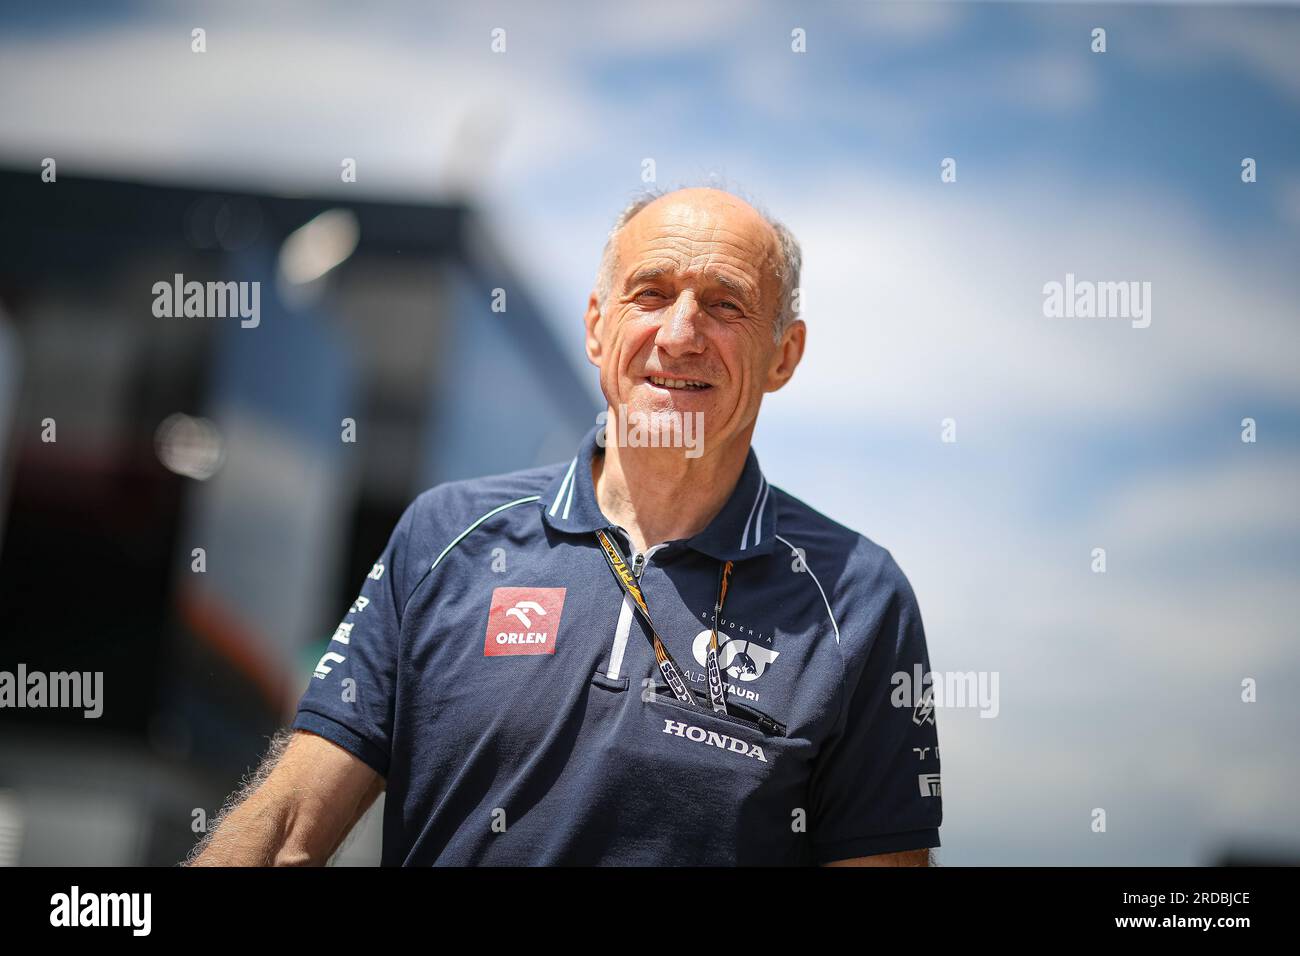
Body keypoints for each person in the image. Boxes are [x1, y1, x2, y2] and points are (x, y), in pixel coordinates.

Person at [188, 186, 942, 866]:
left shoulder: (859, 599)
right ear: (596, 326)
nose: (680, 334)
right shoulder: (445, 538)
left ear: (784, 355)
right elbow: (288, 828)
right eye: (651, 293)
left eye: (725, 304)